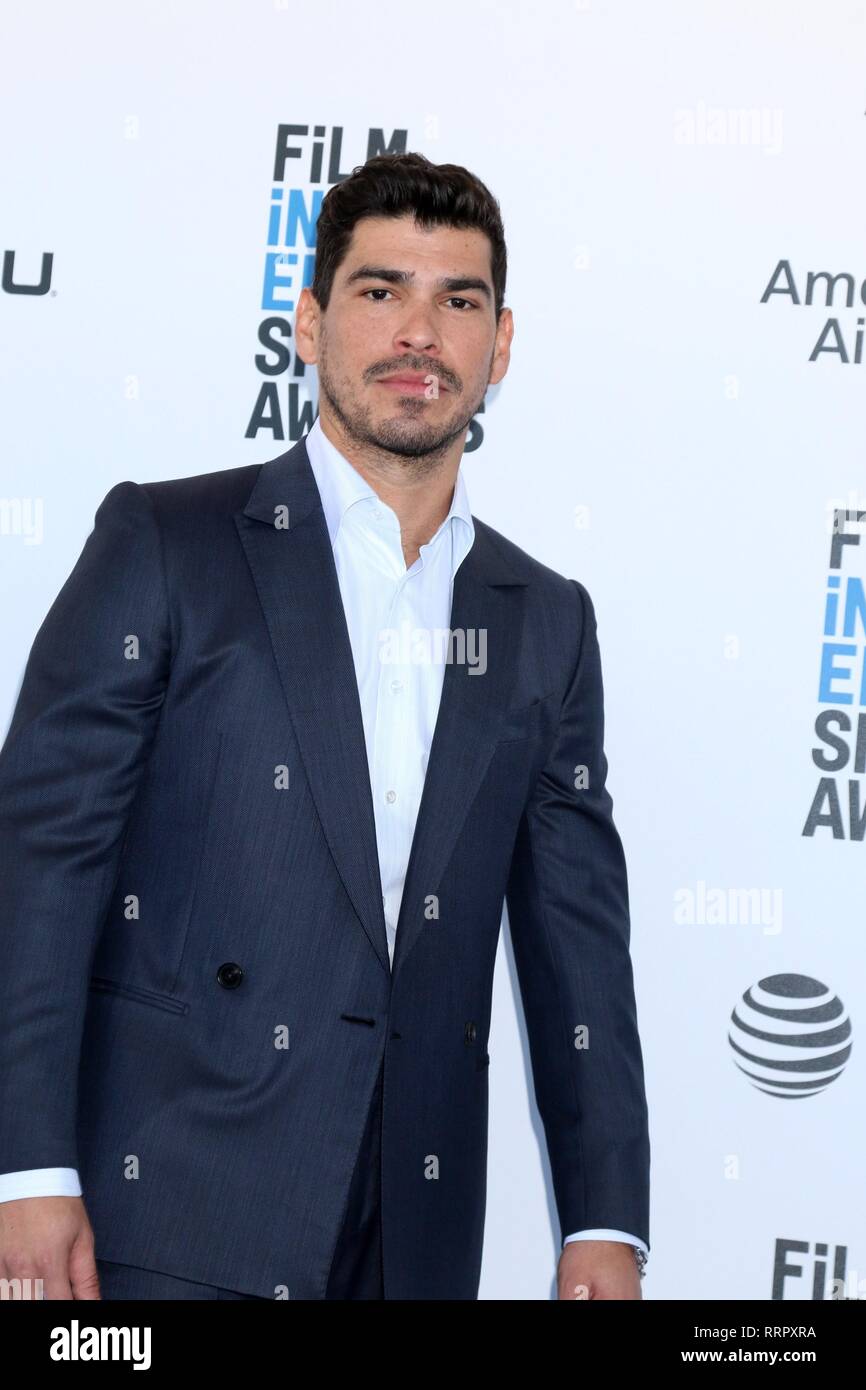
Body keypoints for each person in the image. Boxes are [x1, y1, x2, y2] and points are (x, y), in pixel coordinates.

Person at [0, 152, 649, 1300]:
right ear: (307, 323)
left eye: (458, 302)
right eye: (378, 290)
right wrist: (26, 1169)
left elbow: (576, 948)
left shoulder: (546, 619)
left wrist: (602, 1223)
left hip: (411, 1237)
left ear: (499, 348)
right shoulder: (168, 543)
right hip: (154, 1218)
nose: (419, 333)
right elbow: (37, 869)